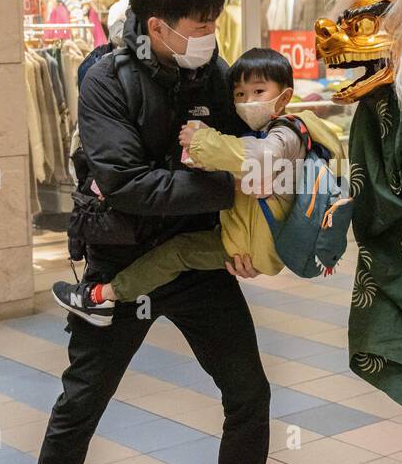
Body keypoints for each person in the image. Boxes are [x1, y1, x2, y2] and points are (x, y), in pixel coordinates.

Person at [25, 0, 292, 464]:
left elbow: (241, 150)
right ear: (156, 26)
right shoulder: (104, 80)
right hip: (123, 264)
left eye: (212, 23)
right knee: (85, 396)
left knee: (248, 389)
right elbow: (125, 183)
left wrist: (247, 227)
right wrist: (232, 190)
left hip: (198, 262)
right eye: (197, 25)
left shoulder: (214, 73)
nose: (208, 37)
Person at [52, 47, 346, 325]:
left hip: (252, 243)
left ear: (284, 97)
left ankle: (100, 297)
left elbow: (258, 158)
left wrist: (202, 140)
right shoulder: (274, 132)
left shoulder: (286, 133)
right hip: (256, 238)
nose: (248, 101)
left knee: (176, 253)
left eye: (259, 91)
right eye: (240, 94)